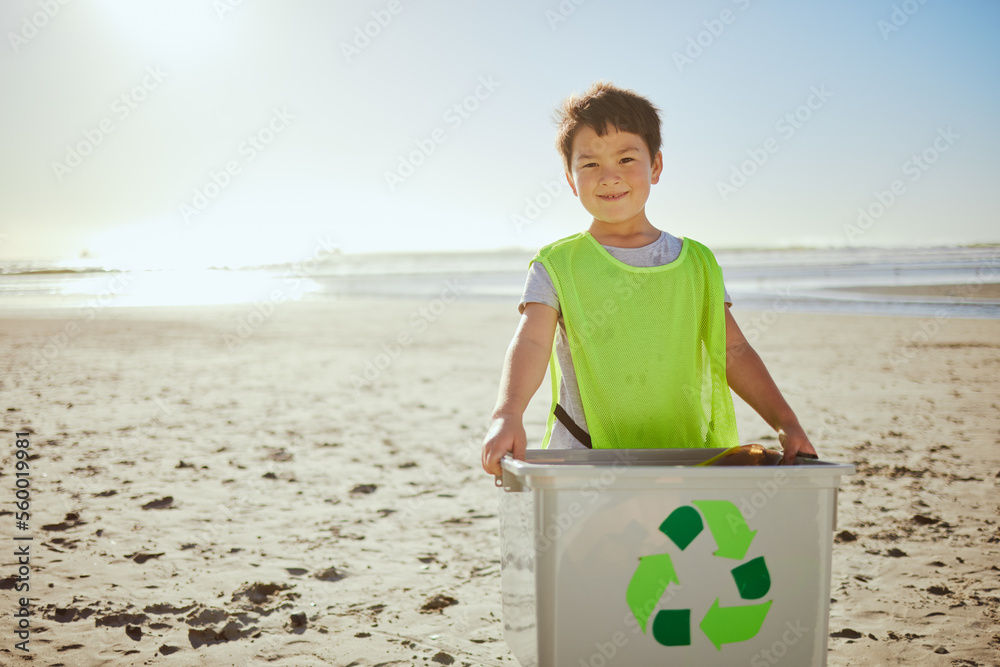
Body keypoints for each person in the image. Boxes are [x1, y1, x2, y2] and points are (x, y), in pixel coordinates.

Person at [481, 81, 817, 475]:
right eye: (590, 164)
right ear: (571, 180)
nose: (609, 177)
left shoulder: (697, 263)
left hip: (680, 456)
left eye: (626, 159)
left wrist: (786, 422)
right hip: (586, 458)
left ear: (655, 166)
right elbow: (532, 341)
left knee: (680, 521)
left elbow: (734, 351)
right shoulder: (557, 264)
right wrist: (507, 415)